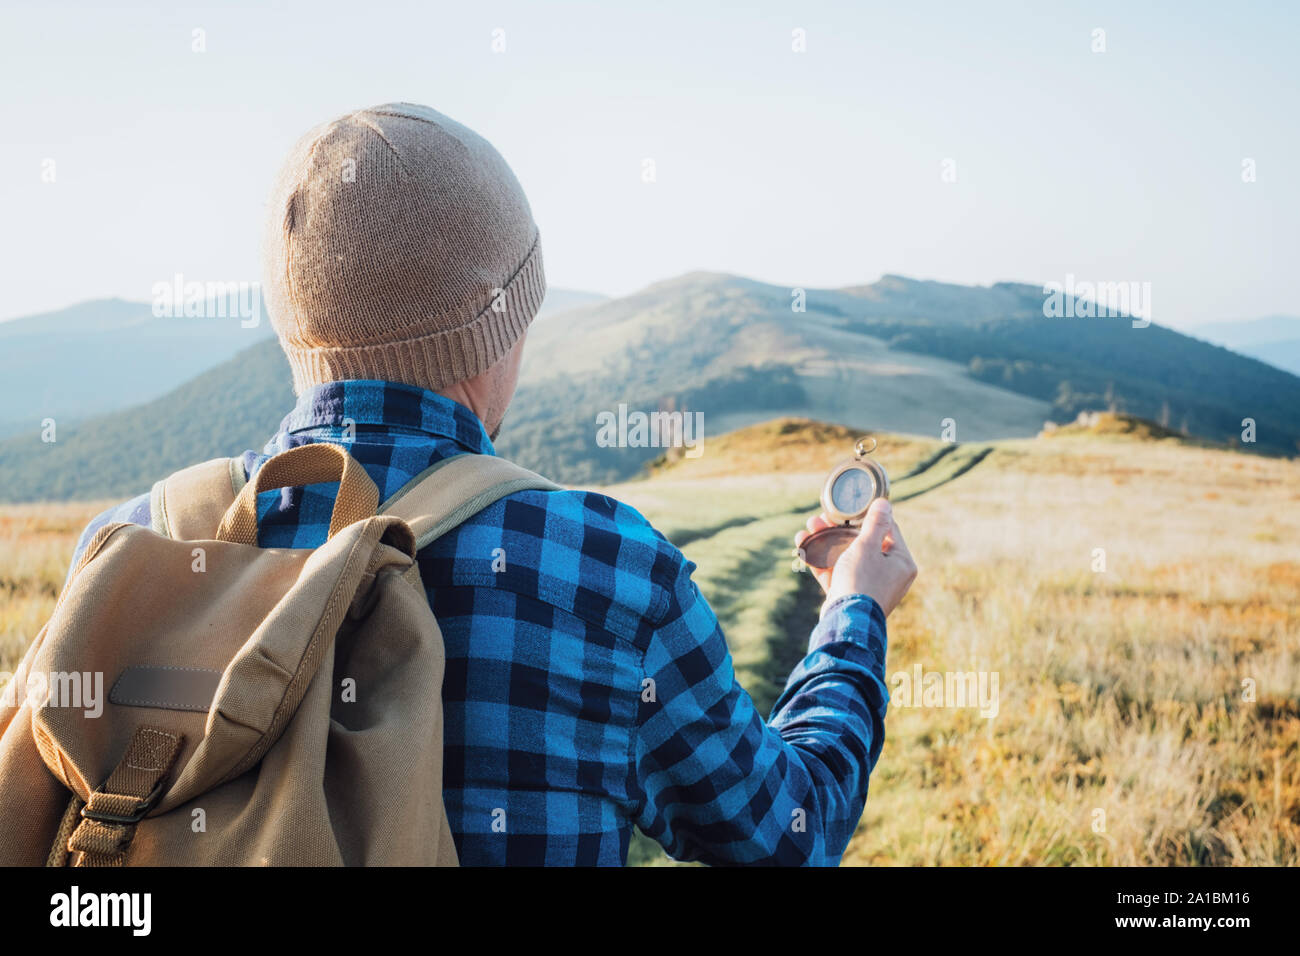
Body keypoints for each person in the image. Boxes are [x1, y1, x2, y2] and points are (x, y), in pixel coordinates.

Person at [69, 102, 918, 866]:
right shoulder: (608, 568)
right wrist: (855, 609)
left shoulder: (131, 548)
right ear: (496, 325)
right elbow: (789, 830)